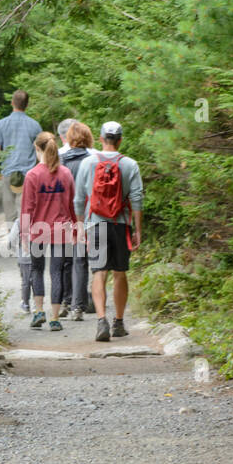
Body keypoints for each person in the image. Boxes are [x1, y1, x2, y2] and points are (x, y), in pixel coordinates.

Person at [74, 120, 143, 342]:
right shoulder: (130, 164)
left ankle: (101, 320)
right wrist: (137, 229)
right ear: (120, 139)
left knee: (99, 272)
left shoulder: (88, 163)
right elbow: (137, 198)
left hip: (95, 223)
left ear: (101, 138)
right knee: (120, 272)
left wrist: (81, 226)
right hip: (121, 225)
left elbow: (78, 199)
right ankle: (119, 323)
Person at [20, 131, 76, 331]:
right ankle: (55, 318)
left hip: (37, 230)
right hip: (61, 229)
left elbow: (27, 207)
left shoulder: (33, 175)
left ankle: (38, 312)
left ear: (37, 149)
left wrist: (24, 234)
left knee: (36, 270)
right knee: (57, 272)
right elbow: (71, 205)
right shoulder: (66, 174)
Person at [0, 90, 42, 224]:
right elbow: (41, 151)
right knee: (26, 211)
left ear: (12, 102)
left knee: (10, 211)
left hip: (8, 172)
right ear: (27, 105)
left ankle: (12, 237)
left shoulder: (1, 124)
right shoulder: (35, 125)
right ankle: (25, 239)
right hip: (29, 174)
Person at [59, 121, 95, 320]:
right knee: (81, 261)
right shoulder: (94, 160)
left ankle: (65, 300)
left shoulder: (61, 160)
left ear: (68, 138)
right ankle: (78, 307)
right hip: (88, 216)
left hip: (64, 217)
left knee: (63, 261)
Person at [6, 171, 33, 313]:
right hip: (36, 255)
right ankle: (38, 303)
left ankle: (25, 303)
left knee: (25, 281)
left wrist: (11, 247)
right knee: (35, 279)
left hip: (23, 257)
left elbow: (11, 238)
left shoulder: (18, 221)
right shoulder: (38, 220)